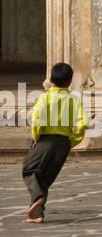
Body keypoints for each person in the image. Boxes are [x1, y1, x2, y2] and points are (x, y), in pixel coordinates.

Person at [23, 62, 85, 223]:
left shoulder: (45, 98)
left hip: (46, 140)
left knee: (29, 170)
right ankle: (37, 214)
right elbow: (83, 124)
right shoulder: (74, 100)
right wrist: (73, 142)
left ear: (50, 79)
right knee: (44, 178)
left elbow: (37, 121)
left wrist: (36, 138)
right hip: (64, 143)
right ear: (69, 82)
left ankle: (37, 198)